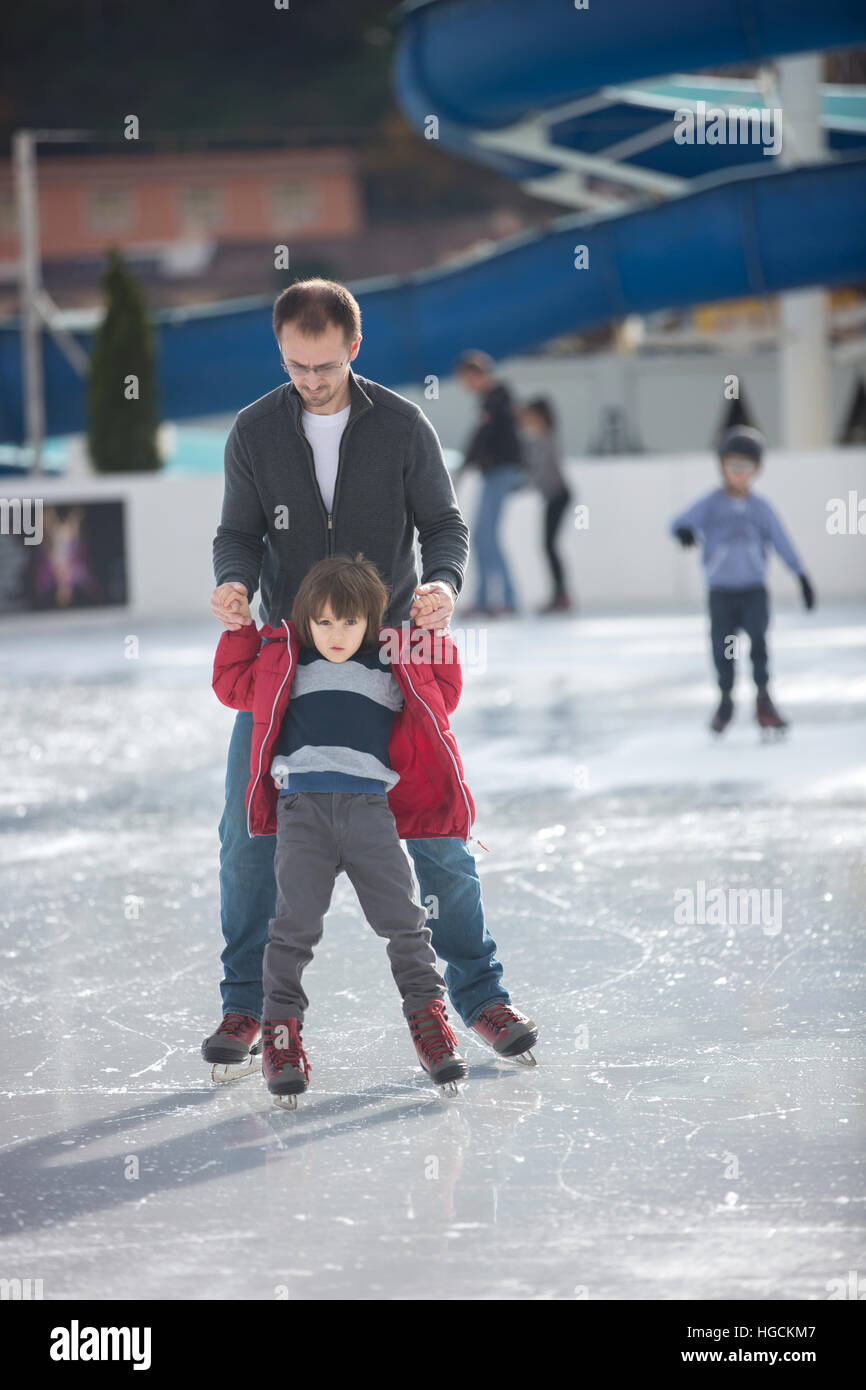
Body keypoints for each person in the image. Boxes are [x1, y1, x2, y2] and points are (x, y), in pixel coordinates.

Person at [203, 279, 538, 1082]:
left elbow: (444, 526)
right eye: (295, 365)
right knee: (247, 835)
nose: (310, 380)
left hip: (393, 653)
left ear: (354, 349)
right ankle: (247, 1003)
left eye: (323, 365)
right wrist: (235, 582)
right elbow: (236, 533)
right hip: (290, 658)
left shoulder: (401, 424)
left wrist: (446, 586)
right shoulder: (255, 431)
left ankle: (479, 994)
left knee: (438, 835)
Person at [212, 554, 471, 1100]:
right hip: (302, 815)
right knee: (292, 929)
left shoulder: (387, 667)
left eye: (349, 622)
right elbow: (234, 686)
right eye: (324, 621)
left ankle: (430, 1024)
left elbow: (442, 696)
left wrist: (434, 634)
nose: (336, 634)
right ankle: (281, 1035)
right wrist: (240, 630)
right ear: (306, 620)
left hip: (369, 815)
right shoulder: (288, 661)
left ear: (371, 622)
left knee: (404, 922)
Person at [669, 425, 816, 735]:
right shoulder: (712, 504)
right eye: (732, 466)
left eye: (745, 467)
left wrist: (801, 575)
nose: (738, 473)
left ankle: (764, 700)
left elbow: (781, 540)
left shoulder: (761, 509)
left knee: (759, 644)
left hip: (753, 591)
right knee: (723, 647)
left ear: (756, 470)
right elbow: (679, 522)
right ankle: (725, 700)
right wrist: (684, 531)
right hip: (721, 592)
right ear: (722, 466)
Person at [454, 350, 526, 618]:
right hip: (494, 472)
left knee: (487, 536)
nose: (465, 386)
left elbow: (483, 436)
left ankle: (507, 599)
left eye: (466, 379)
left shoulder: (497, 398)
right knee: (483, 537)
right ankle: (485, 600)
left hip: (502, 473)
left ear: (477, 375)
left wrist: (464, 467)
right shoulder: (491, 400)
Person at [519, 397, 574, 614]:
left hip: (558, 496)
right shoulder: (537, 439)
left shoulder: (545, 439)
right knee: (549, 546)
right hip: (552, 496)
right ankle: (559, 595)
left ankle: (560, 596)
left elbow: (538, 470)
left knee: (549, 545)